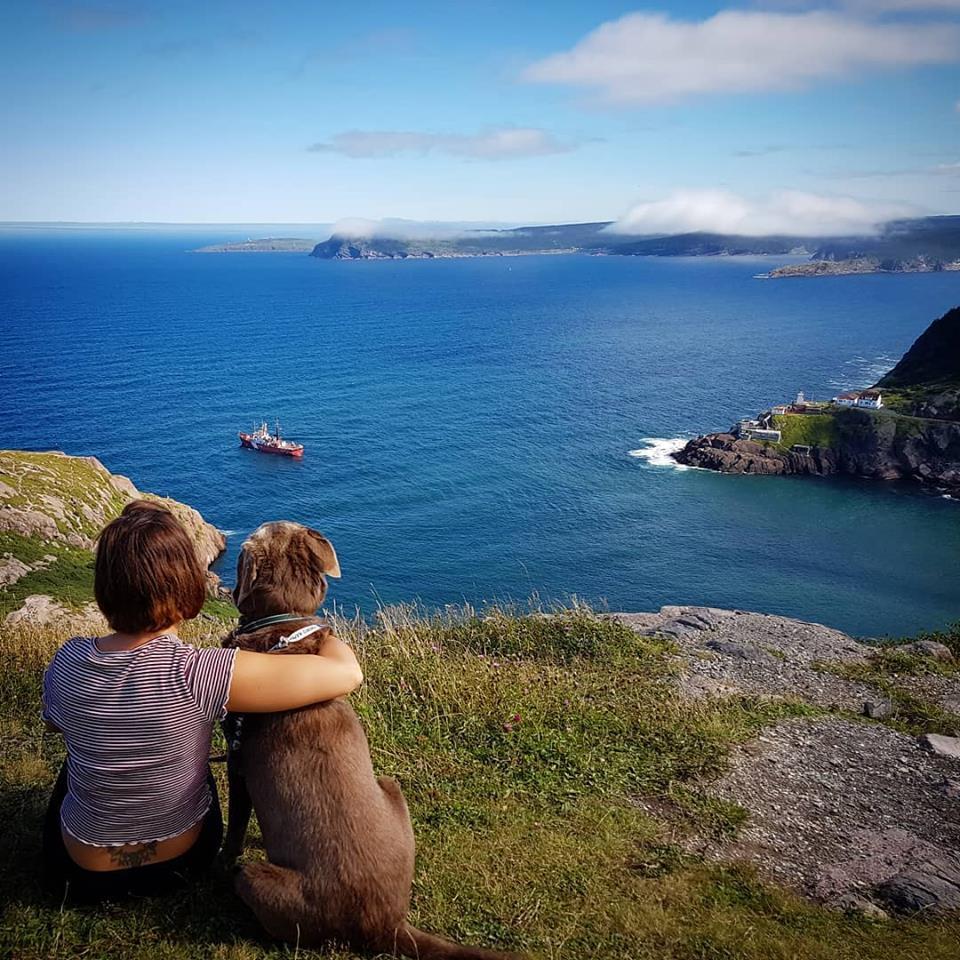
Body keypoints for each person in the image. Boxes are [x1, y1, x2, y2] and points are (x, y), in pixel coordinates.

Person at [41, 500, 362, 905]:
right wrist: (315, 628)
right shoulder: (203, 672)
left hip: (80, 874)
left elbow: (55, 723)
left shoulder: (69, 661)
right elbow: (347, 673)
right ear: (187, 585)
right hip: (184, 861)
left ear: (105, 590)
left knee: (75, 761)